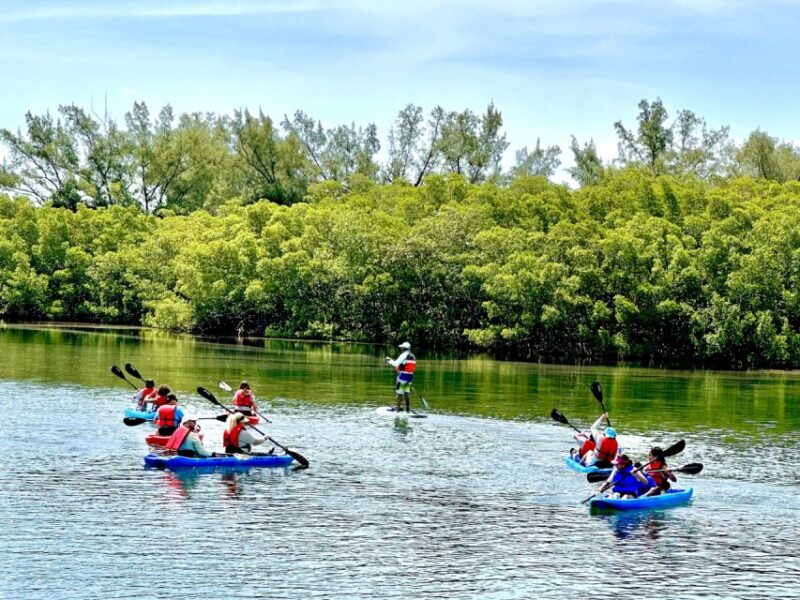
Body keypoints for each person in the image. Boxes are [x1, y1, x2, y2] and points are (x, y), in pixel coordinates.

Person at [385, 341, 416, 413]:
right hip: (410, 377)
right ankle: (408, 411)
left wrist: (389, 360)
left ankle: (397, 411)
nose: (401, 348)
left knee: (399, 394)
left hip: (402, 377)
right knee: (406, 394)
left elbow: (396, 364)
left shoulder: (404, 355)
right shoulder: (412, 356)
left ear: (404, 348)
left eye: (402, 347)